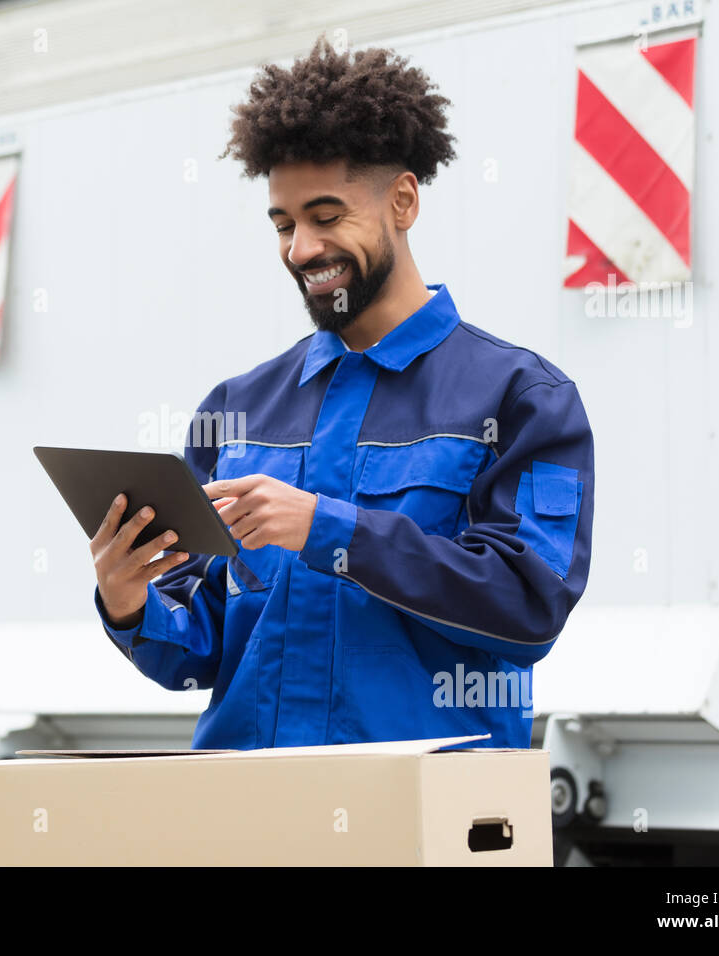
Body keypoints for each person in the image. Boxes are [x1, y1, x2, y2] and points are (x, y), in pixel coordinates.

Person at [89, 36, 594, 750]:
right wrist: (130, 599)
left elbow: (527, 606)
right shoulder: (235, 412)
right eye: (285, 224)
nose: (301, 249)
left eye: (326, 217)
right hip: (250, 818)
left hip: (418, 819)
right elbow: (198, 647)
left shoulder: (520, 399)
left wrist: (329, 529)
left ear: (404, 200)